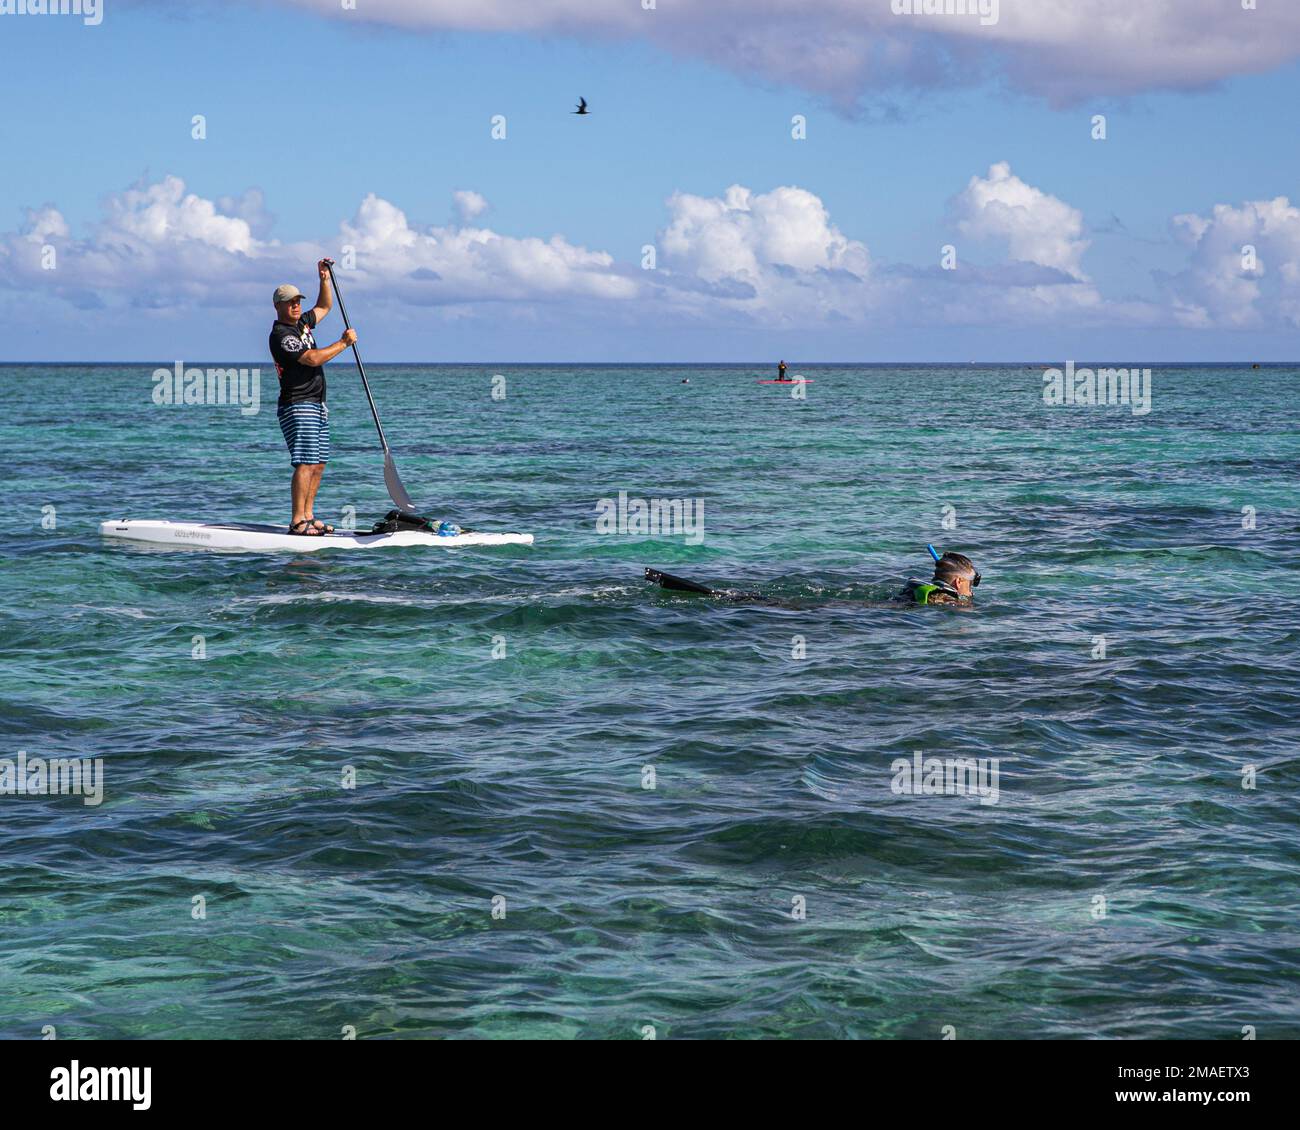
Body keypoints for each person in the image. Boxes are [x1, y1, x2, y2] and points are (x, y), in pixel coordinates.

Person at [268, 260, 358, 535]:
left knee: (318, 463)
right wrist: (342, 343)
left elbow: (324, 307)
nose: (296, 305)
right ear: (278, 306)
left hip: (317, 403)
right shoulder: (282, 335)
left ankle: (308, 515)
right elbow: (312, 358)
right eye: (290, 302)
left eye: (297, 301)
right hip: (297, 404)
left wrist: (324, 279)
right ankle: (297, 521)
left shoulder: (303, 324)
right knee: (305, 462)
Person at [899, 552, 980, 606]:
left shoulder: (919, 589)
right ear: (958, 582)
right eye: (970, 585)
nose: (970, 592)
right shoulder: (949, 600)